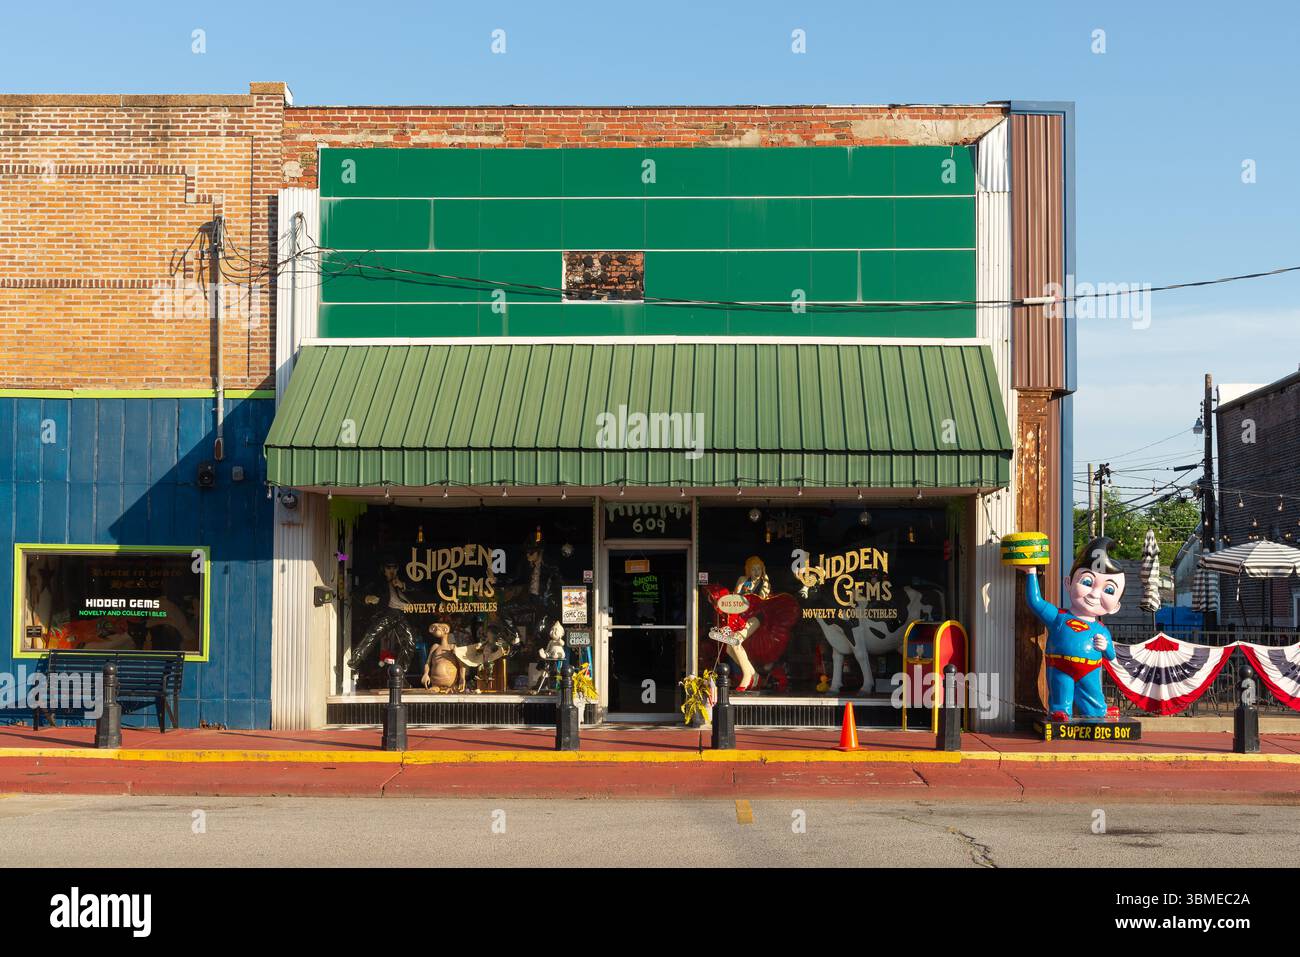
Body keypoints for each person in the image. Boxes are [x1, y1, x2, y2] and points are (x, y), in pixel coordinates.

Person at [1019, 536, 1124, 721]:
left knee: (1093, 700)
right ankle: (1060, 712)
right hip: (1060, 666)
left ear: (1115, 606)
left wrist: (1105, 645)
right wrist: (1031, 572)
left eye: (1108, 590)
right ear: (1068, 583)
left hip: (1090, 670)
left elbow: (1111, 655)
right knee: (1060, 695)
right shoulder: (1059, 617)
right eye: (1087, 582)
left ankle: (1098, 712)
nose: (1094, 593)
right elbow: (1035, 602)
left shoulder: (1100, 628)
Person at [350, 557, 420, 685]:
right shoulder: (378, 583)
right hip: (388, 613)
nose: (392, 571)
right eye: (389, 568)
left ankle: (399, 675)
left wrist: (403, 585)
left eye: (394, 568)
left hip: (402, 615)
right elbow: (357, 593)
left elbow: (421, 591)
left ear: (398, 569)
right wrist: (367, 598)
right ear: (384, 570)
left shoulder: (405, 580)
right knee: (373, 634)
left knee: (409, 642)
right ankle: (355, 660)